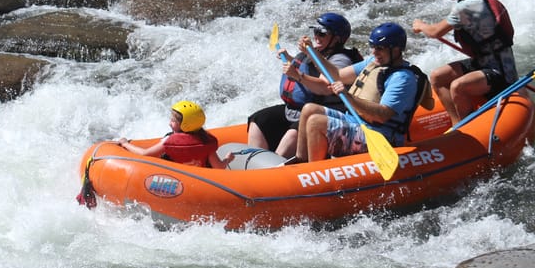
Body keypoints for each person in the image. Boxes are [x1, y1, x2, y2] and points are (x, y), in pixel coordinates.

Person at [294, 22, 431, 162]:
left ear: (396, 49)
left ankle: (315, 171)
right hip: (356, 121)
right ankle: (300, 161)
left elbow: (382, 115)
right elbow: (337, 75)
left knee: (316, 122)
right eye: (373, 47)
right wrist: (312, 53)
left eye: (380, 48)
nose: (374, 52)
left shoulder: (402, 78)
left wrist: (349, 97)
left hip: (381, 135)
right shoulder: (374, 62)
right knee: (309, 109)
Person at [412, 0, 518, 125]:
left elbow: (435, 32)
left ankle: (468, 127)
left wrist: (420, 25)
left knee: (457, 86)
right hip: (482, 62)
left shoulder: (468, 6)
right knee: (437, 77)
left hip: (500, 72)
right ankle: (457, 123)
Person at [247, 13, 363, 158]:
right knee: (259, 119)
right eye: (315, 31)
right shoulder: (317, 52)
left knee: (292, 134)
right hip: (299, 108)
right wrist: (289, 58)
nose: (317, 37)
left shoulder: (341, 59)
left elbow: (324, 88)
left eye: (322, 33)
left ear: (337, 39)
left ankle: (276, 167)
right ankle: (254, 161)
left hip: (324, 111)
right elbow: (308, 68)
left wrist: (297, 75)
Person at [116, 100, 229, 168]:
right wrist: (228, 159)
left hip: (173, 178)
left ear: (185, 125)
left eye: (173, 121)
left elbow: (145, 154)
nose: (169, 123)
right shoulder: (205, 142)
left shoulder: (169, 140)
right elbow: (218, 167)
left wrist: (125, 144)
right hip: (199, 179)